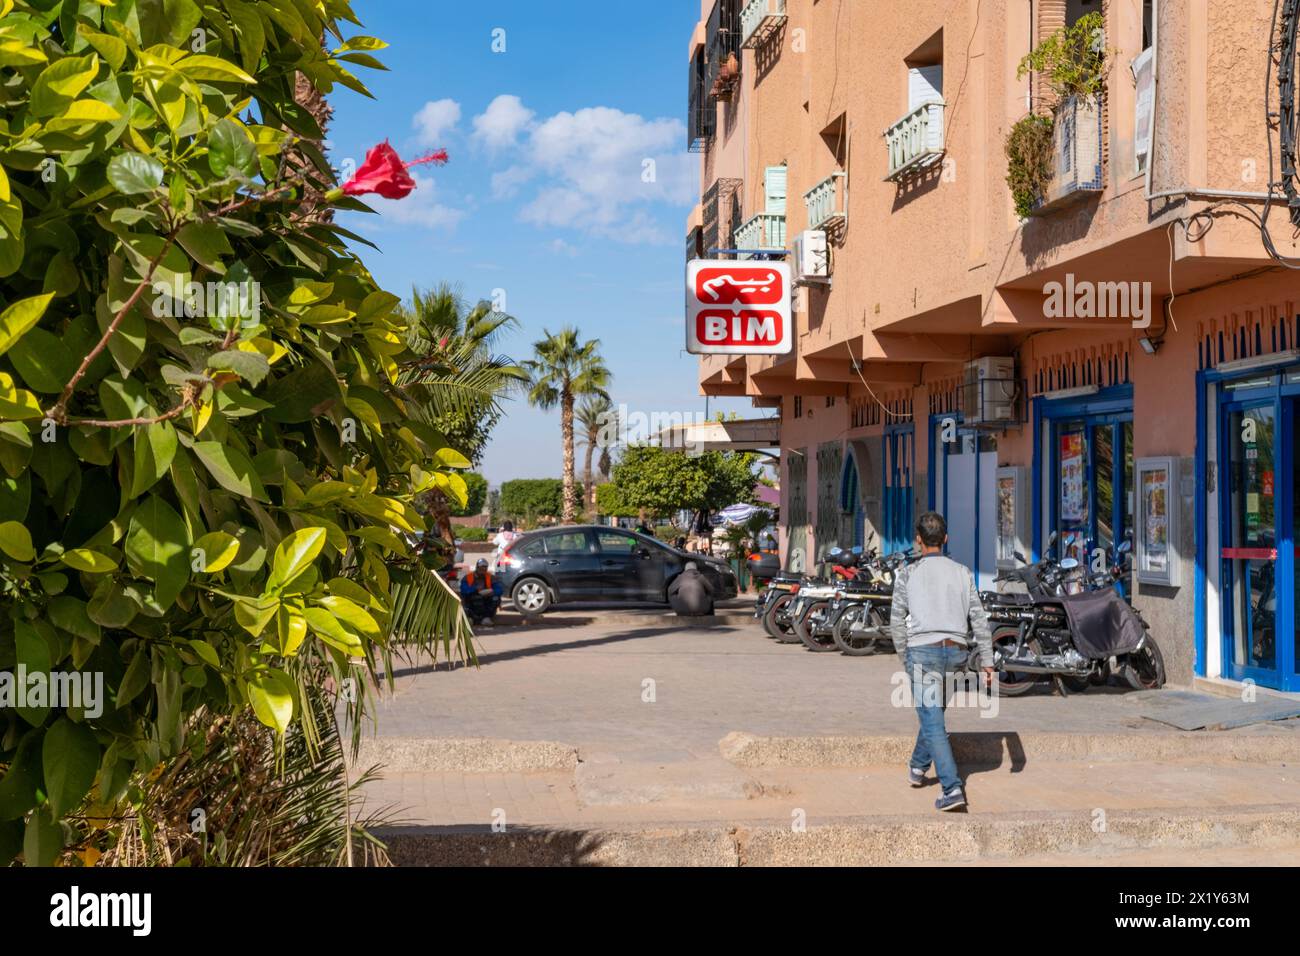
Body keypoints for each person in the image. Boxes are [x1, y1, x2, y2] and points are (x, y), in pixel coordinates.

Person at [889, 511, 993, 812]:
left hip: (923, 652)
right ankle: (918, 766)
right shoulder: (962, 572)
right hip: (957, 654)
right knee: (932, 715)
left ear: (918, 541)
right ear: (945, 539)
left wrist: (904, 657)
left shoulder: (907, 573)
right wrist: (987, 660)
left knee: (932, 720)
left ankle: (951, 787)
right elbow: (979, 619)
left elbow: (897, 621)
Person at [460, 558, 503, 626]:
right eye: (481, 567)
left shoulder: (491, 577)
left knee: (496, 598)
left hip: (487, 599)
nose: (483, 570)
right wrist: (476, 591)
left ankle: (486, 617)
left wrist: (492, 591)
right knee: (474, 598)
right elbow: (464, 590)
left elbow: (499, 589)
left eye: (485, 568)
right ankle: (472, 617)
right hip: (472, 599)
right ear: (477, 567)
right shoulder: (467, 577)